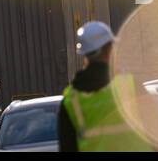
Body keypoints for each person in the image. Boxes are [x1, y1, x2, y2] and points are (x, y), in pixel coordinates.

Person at [58, 22, 152, 153]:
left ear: (85, 55)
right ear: (110, 50)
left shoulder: (71, 101)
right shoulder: (132, 86)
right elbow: (156, 132)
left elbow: (67, 147)